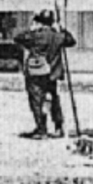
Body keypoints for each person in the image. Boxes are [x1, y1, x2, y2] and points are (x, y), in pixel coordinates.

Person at [14, 9, 76, 139]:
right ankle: (58, 127)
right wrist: (61, 29)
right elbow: (71, 41)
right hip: (52, 74)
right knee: (53, 100)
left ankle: (41, 129)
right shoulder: (57, 36)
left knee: (37, 101)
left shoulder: (35, 35)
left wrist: (32, 29)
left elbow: (18, 38)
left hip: (36, 73)